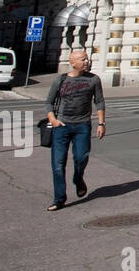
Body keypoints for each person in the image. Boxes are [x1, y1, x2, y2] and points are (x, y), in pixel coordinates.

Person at [44, 49, 105, 211]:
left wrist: (101, 123)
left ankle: (78, 178)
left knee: (81, 158)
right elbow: (49, 102)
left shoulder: (93, 80)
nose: (87, 61)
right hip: (62, 127)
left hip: (82, 126)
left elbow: (99, 102)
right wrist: (53, 120)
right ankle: (59, 199)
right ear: (73, 63)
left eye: (87, 59)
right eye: (83, 59)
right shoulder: (61, 80)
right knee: (58, 164)